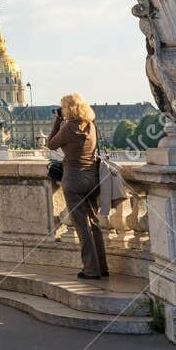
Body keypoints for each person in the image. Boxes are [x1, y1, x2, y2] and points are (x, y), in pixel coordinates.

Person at [47, 92, 108, 279]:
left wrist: (57, 121)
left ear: (67, 109)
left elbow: (51, 144)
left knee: (82, 227)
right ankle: (102, 267)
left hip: (73, 179)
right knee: (94, 223)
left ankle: (90, 269)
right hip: (92, 178)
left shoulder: (68, 128)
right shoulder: (91, 126)